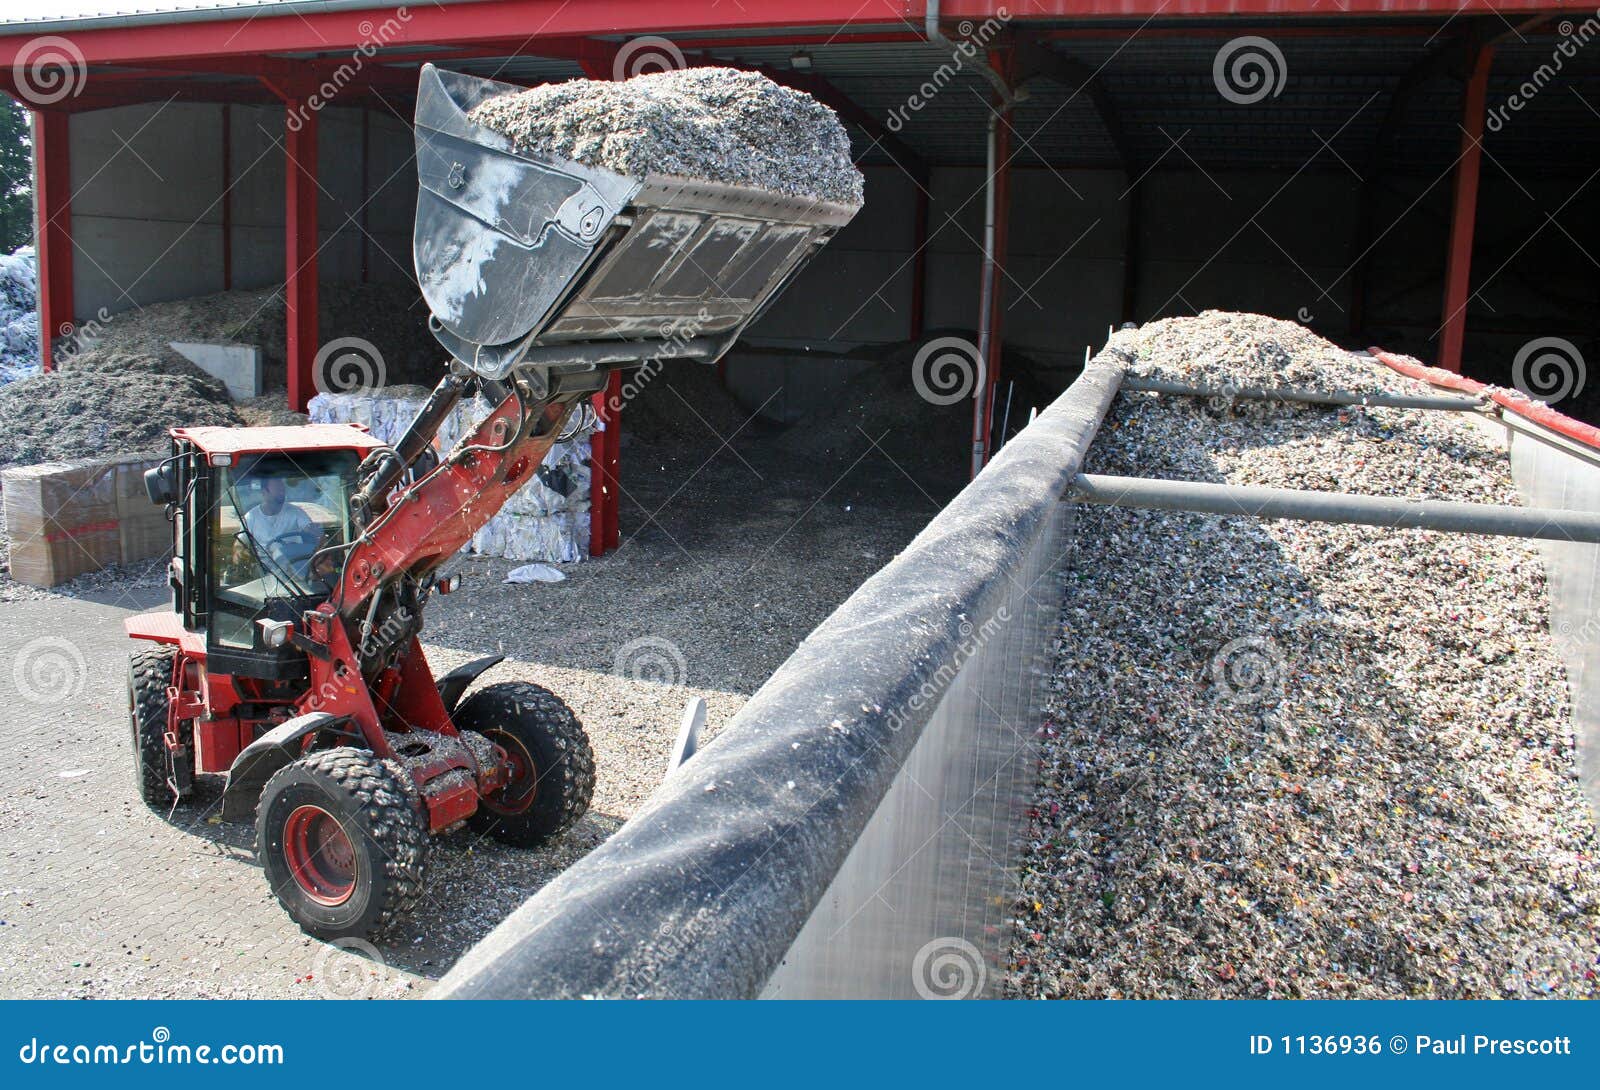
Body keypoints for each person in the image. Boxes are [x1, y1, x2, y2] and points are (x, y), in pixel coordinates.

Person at [241, 476, 320, 576]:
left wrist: (312, 530)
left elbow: (310, 529)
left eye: (282, 488)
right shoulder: (251, 517)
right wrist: (240, 551)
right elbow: (240, 542)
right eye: (277, 489)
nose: (282, 492)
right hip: (264, 569)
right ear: (264, 492)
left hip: (294, 564)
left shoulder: (295, 512)